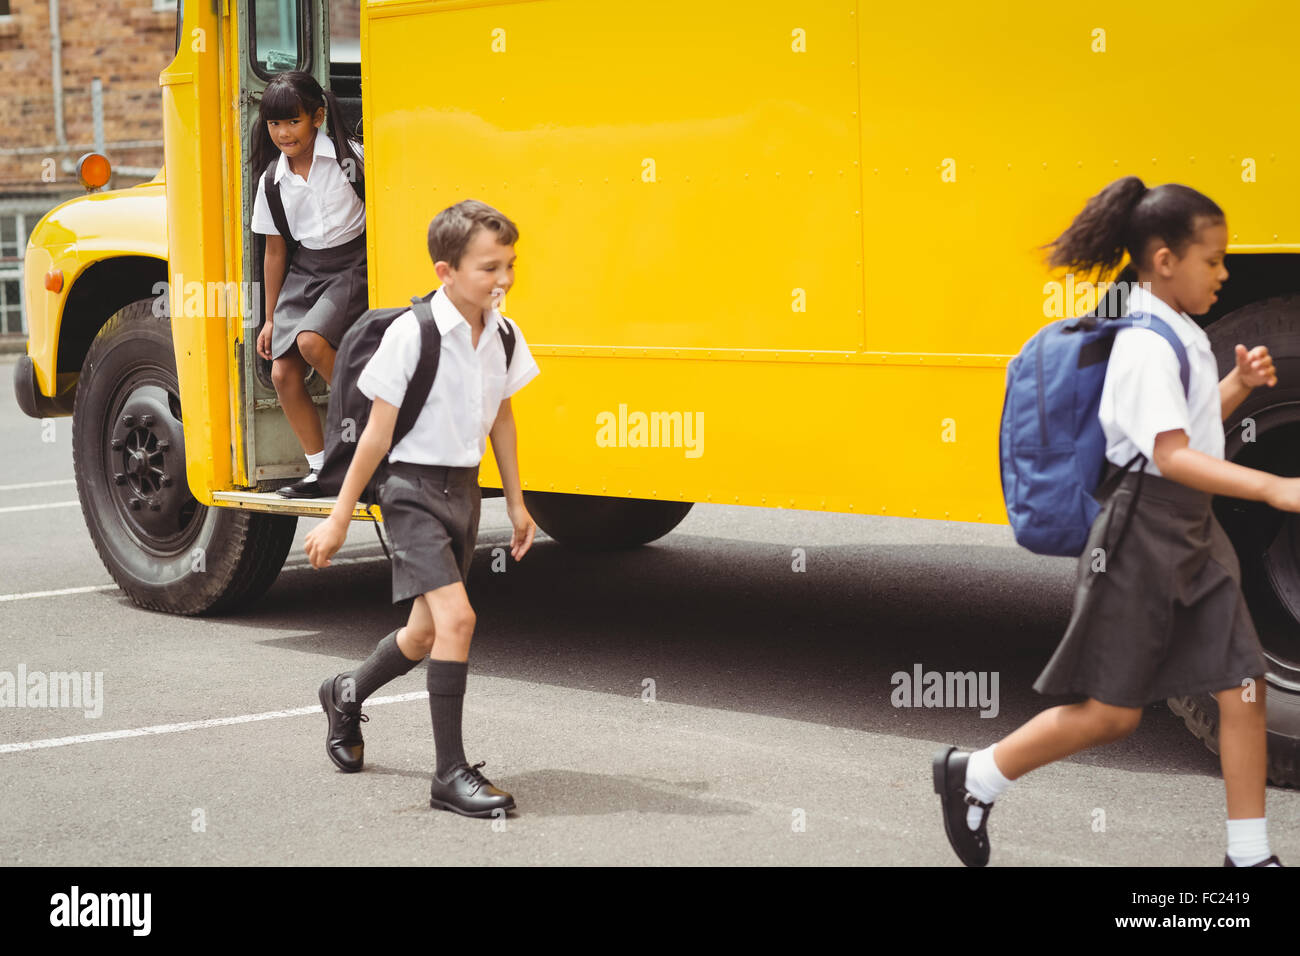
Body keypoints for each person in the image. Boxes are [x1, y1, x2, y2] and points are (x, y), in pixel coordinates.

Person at [933, 176, 1294, 866]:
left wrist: (1238, 386)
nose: (1225, 273)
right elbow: (1170, 456)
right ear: (1165, 261)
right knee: (1113, 713)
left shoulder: (1182, 331)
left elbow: (1185, 430)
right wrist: (1273, 487)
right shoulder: (1142, 346)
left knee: (1243, 687)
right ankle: (973, 776)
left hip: (1194, 531)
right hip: (1142, 535)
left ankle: (1248, 858)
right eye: (1213, 259)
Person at [304, 199, 539, 818]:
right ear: (446, 271)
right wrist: (338, 516)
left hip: (463, 491)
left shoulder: (504, 333)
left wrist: (516, 503)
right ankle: (448, 774)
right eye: (490, 268)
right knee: (458, 620)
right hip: (409, 493)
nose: (504, 279)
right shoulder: (413, 334)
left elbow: (504, 420)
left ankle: (345, 691)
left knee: (425, 631)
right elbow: (375, 437)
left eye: (509, 265)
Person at [250, 70, 369, 499]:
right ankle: (322, 471)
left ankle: (375, 424)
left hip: (353, 265)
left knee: (311, 343)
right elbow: (276, 252)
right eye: (275, 124)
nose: (284, 133)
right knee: (281, 371)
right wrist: (268, 319)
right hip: (306, 271)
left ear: (317, 117)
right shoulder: (271, 182)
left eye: (293, 121)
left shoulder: (349, 159)